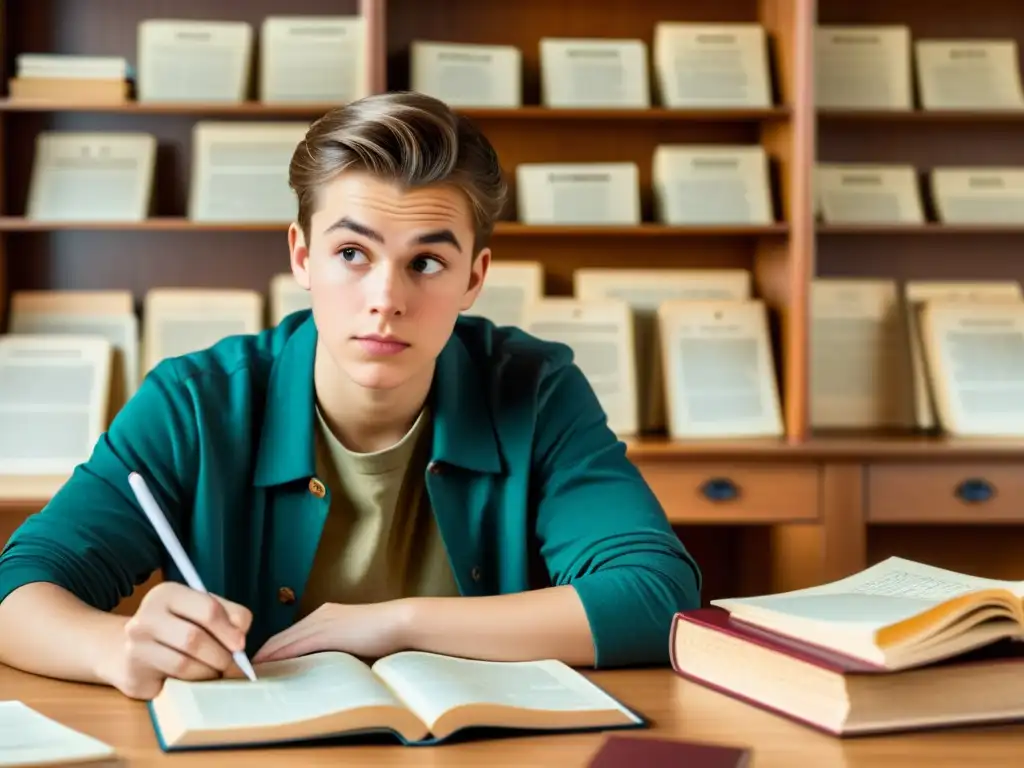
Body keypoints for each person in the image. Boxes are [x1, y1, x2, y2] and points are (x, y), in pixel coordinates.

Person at [0, 91, 701, 700]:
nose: (386, 301)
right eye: (351, 254)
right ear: (302, 255)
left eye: (426, 262)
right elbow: (20, 589)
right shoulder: (193, 402)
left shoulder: (536, 389)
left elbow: (655, 594)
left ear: (475, 277)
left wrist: (396, 623)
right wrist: (115, 647)